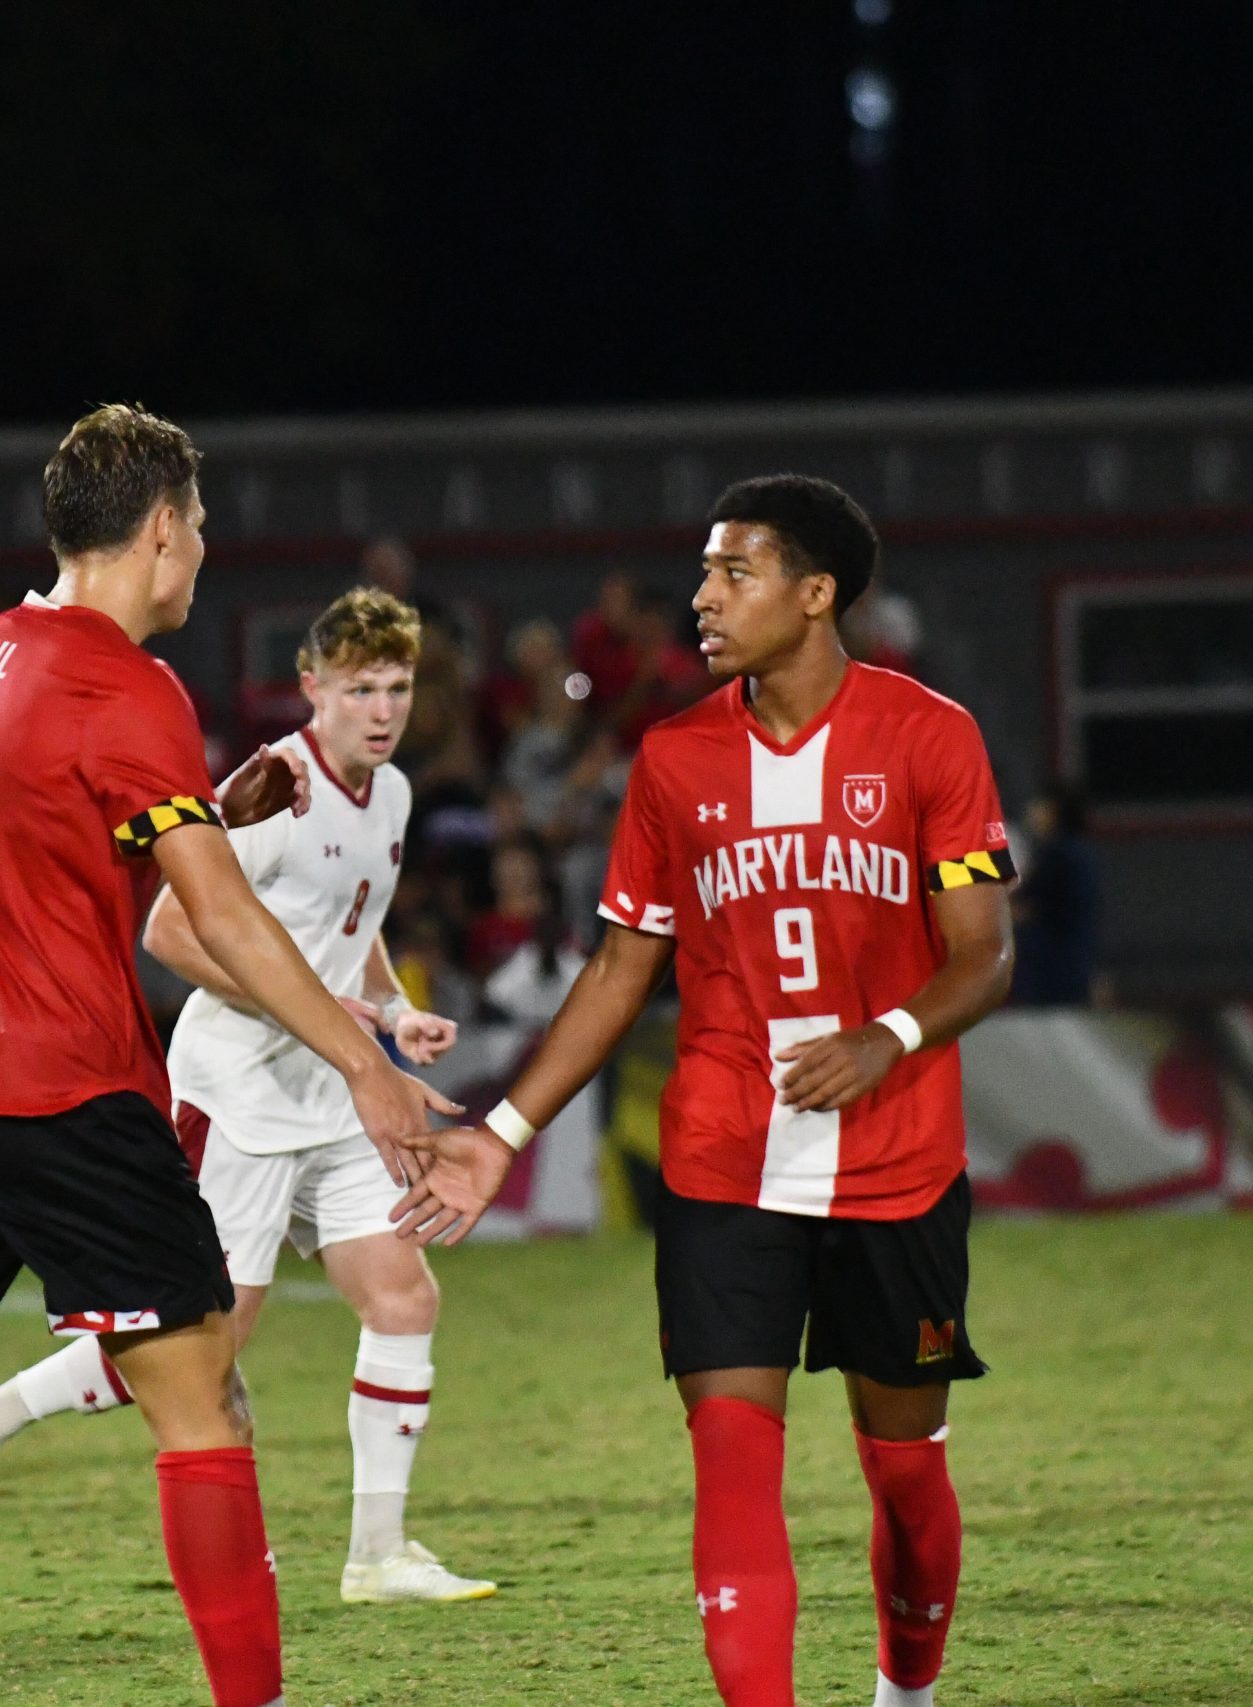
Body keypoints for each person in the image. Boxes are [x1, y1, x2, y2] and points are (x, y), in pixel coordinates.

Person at [0, 406, 457, 1707]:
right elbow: (213, 912)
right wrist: (366, 1059)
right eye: (202, 527)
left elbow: (54, 833)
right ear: (161, 529)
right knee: (205, 1410)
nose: (204, 552)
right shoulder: (125, 682)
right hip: (64, 1090)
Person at [395, 475, 1016, 1707]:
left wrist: (885, 1037)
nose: (702, 597)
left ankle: (908, 1691)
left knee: (903, 1467)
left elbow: (985, 953)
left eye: (735, 572)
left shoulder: (928, 734)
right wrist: (503, 1132)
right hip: (725, 1155)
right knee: (731, 1460)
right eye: (704, 571)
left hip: (894, 1160)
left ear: (816, 592)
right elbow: (623, 968)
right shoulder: (674, 759)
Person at [0, 586, 493, 1605]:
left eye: (397, 688)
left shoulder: (390, 797)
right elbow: (173, 932)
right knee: (205, 1352)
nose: (382, 709)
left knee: (403, 1294)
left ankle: (378, 1555)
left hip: (334, 1095)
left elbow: (350, 928)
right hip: (237, 1098)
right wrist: (311, 1017)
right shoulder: (271, 791)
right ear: (311, 687)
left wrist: (391, 1015)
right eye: (360, 688)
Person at [1008, 782, 1100, 1006]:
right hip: (1070, 969)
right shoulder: (1076, 853)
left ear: (1054, 811)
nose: (1032, 811)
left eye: (1039, 806)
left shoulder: (1061, 856)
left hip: (1051, 974)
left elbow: (1025, 905)